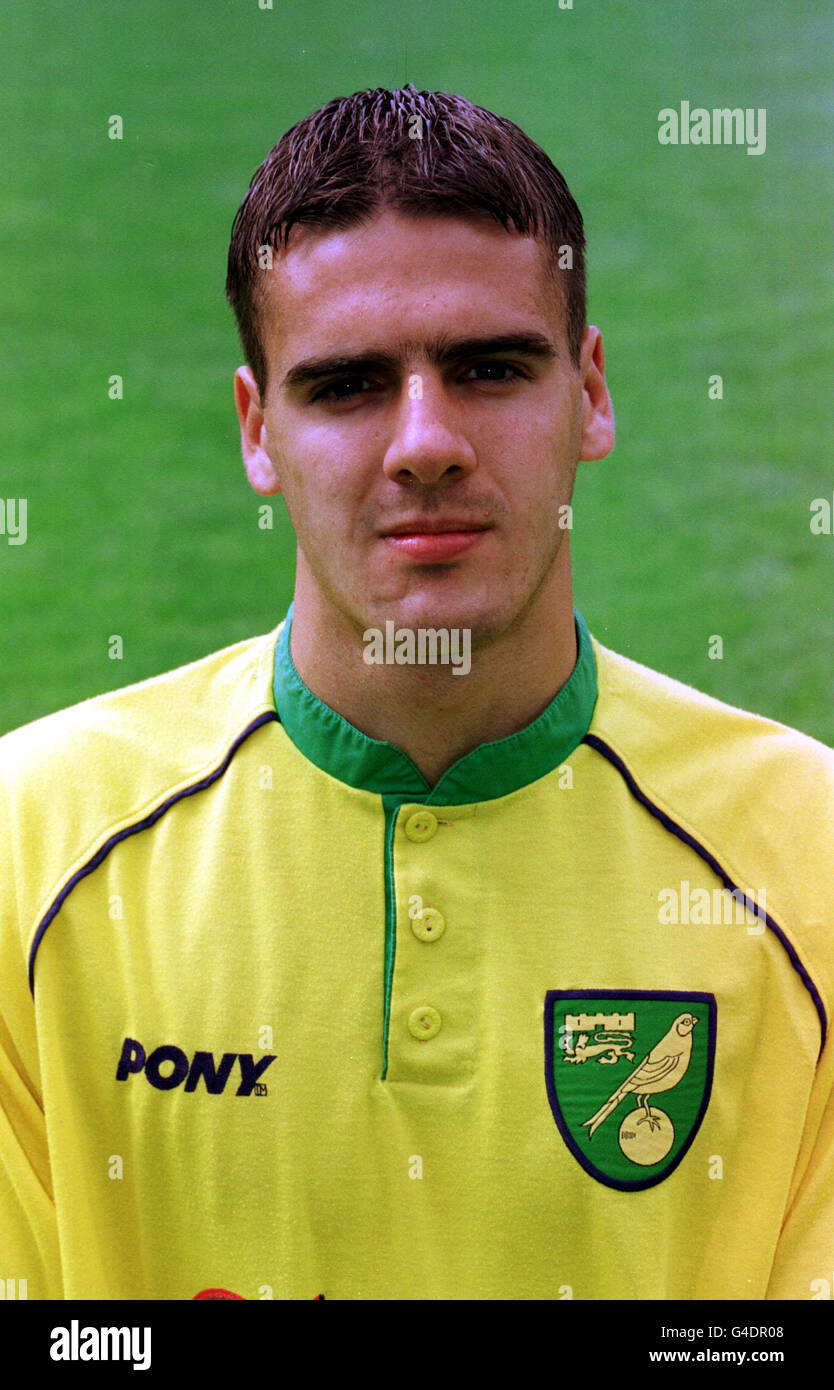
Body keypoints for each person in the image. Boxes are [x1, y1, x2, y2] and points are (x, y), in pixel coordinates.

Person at [1, 84, 832, 1302]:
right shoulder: (27, 852)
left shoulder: (807, 856)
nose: (425, 442)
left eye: (490, 369)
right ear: (256, 431)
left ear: (590, 393)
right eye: (346, 386)